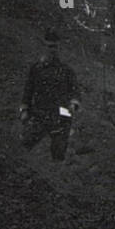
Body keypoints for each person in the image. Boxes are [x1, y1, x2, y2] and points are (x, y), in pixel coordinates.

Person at [20, 28, 80, 162]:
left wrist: (73, 104)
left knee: (59, 153)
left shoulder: (66, 70)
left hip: (60, 114)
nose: (53, 50)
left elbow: (75, 91)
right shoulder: (36, 69)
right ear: (44, 47)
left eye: (55, 47)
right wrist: (24, 110)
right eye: (50, 47)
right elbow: (27, 91)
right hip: (39, 112)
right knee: (24, 145)